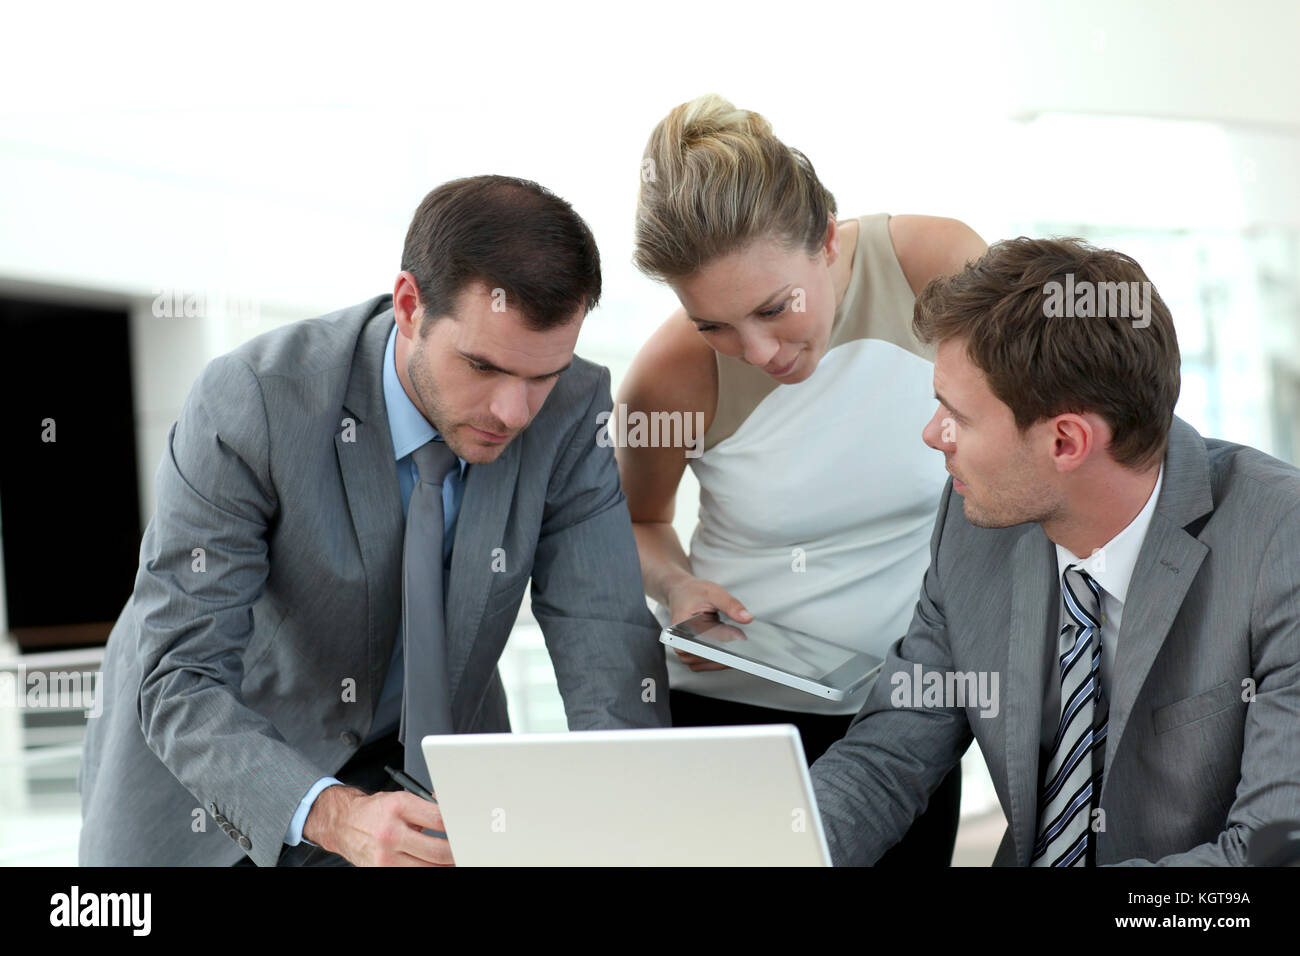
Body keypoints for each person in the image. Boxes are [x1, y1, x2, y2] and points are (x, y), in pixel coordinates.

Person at [78, 175, 669, 867]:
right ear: (411, 305)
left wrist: (631, 823)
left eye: (543, 375)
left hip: (432, 791)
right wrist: (334, 816)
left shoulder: (572, 410)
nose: (514, 411)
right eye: (482, 365)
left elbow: (606, 640)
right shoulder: (255, 401)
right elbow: (179, 673)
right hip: (220, 795)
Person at [811, 236, 1300, 866]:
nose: (933, 435)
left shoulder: (1279, 543)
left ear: (1066, 442)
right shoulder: (972, 525)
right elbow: (887, 758)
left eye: (956, 414)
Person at [618, 94, 987, 865]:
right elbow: (640, 522)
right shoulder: (669, 376)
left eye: (773, 308)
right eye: (713, 324)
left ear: (825, 237)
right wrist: (677, 587)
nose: (756, 352)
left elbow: (1023, 436)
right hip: (730, 724)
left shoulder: (936, 268)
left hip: (905, 717)